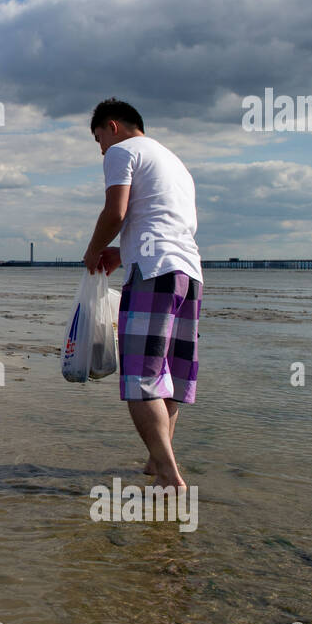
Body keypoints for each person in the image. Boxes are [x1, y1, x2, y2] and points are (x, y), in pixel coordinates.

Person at [82, 99, 202, 489]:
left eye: (99, 139)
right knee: (170, 374)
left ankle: (169, 473)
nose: (101, 148)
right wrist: (122, 251)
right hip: (189, 273)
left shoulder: (122, 151)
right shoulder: (174, 162)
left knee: (141, 377)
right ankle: (156, 461)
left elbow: (115, 213)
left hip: (153, 273)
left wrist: (93, 250)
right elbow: (162, 219)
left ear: (112, 127)